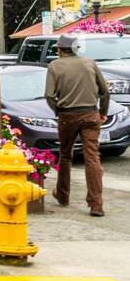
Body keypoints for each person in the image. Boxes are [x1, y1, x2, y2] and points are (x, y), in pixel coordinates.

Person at [45, 32, 110, 216]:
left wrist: (58, 111)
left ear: (60, 50)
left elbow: (49, 95)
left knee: (65, 155)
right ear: (76, 49)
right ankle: (96, 204)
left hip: (67, 116)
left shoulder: (54, 65)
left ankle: (63, 195)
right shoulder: (90, 63)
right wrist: (102, 113)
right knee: (92, 157)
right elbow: (105, 92)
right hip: (90, 114)